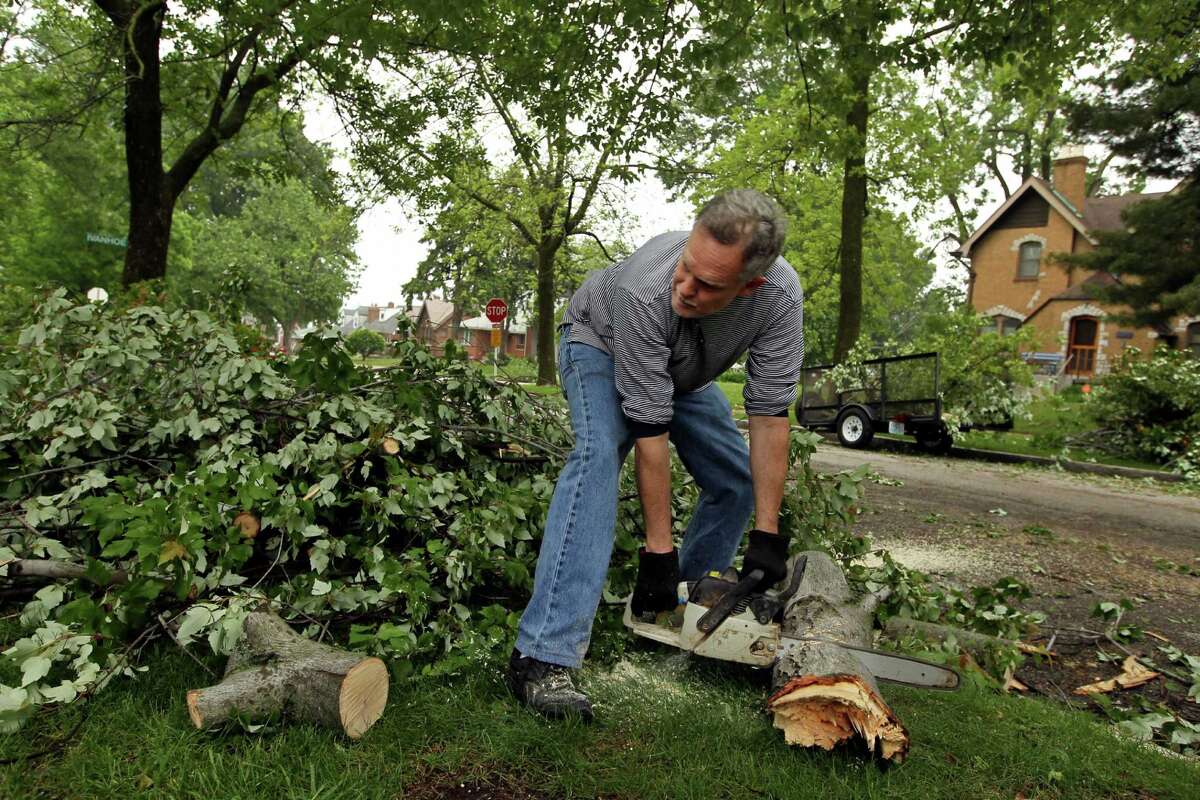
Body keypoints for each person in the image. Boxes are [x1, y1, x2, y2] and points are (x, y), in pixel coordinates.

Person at [507, 189, 804, 720]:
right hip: (600, 342)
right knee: (599, 454)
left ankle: (677, 618)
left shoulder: (780, 297)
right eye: (686, 268)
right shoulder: (644, 290)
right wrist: (657, 554)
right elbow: (651, 436)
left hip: (683, 371)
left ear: (751, 284)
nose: (684, 288)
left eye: (707, 284)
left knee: (734, 480)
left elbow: (769, 415)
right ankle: (542, 655)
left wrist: (767, 534)